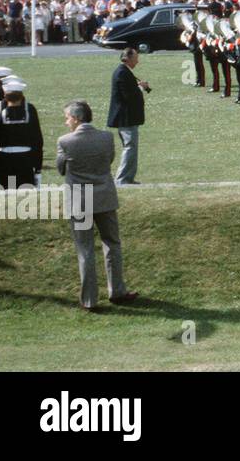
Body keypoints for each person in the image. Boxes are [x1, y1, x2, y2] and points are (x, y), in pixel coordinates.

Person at [57, 100, 137, 311]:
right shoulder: (106, 137)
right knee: (112, 243)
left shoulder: (65, 141)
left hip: (80, 200)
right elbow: (109, 160)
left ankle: (90, 299)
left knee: (85, 250)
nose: (66, 122)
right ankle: (117, 290)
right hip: (104, 196)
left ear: (76, 118)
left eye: (67, 118)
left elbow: (61, 169)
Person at [107, 48, 149, 185]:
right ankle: (122, 179)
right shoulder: (122, 73)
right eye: (136, 58)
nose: (137, 61)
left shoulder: (123, 72)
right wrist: (141, 88)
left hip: (128, 117)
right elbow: (128, 96)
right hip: (126, 118)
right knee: (130, 147)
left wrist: (136, 86)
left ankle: (128, 178)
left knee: (131, 147)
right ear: (128, 58)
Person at [0, 77, 43, 188]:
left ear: (5, 96)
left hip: (4, 163)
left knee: (8, 198)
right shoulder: (31, 113)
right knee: (26, 197)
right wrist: (38, 169)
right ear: (22, 96)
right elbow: (38, 142)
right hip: (26, 162)